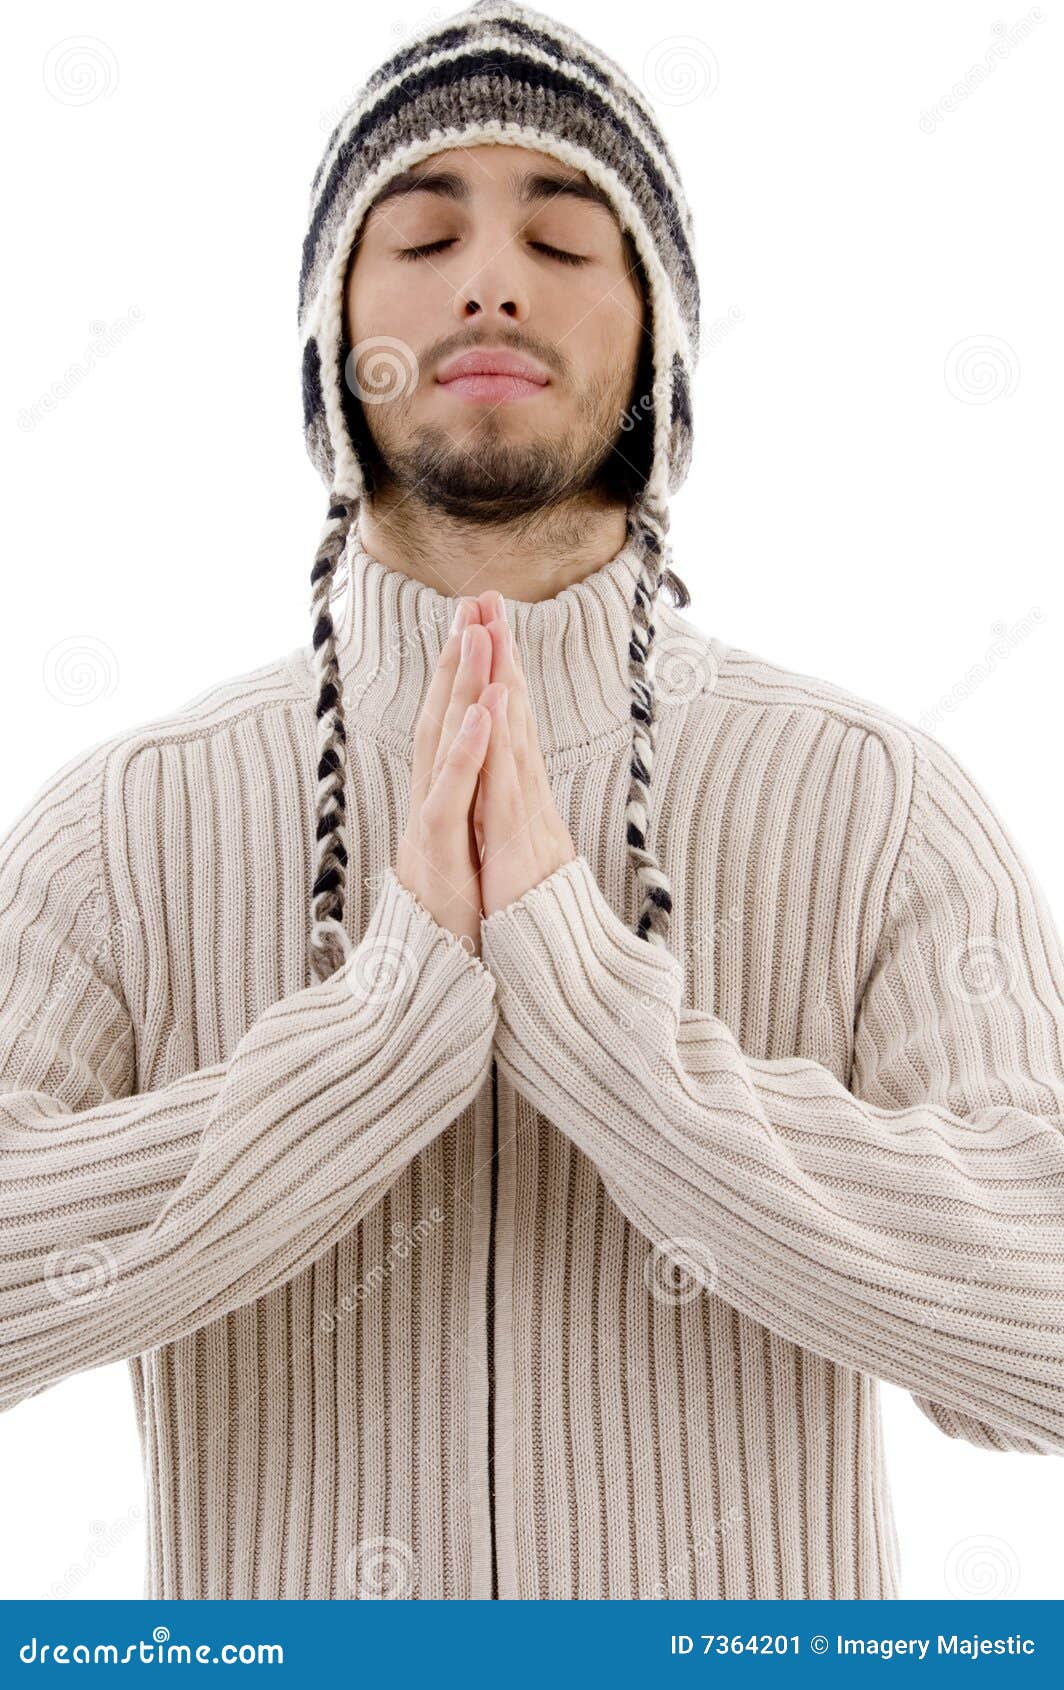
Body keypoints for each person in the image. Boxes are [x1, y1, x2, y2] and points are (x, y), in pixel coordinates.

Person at [1, 0, 1062, 1602]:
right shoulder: (117, 830)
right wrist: (372, 1046)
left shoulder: (881, 808)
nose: (490, 277)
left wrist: (598, 1026)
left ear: (658, 351)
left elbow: (1039, 1331)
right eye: (423, 232)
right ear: (329, 337)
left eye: (566, 240)